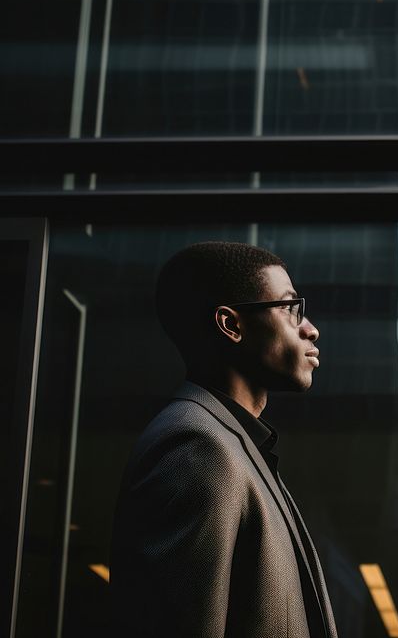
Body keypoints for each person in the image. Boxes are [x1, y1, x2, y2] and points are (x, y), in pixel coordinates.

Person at [110, 241, 338, 638]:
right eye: (289, 308)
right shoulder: (196, 447)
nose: (310, 327)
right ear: (231, 325)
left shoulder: (233, 444)